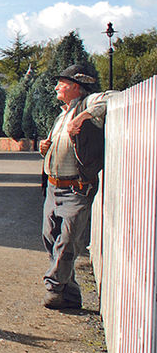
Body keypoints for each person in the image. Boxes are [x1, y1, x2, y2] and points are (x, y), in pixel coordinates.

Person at [38, 63, 111, 310]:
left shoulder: (88, 103)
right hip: (53, 187)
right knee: (50, 238)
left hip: (76, 188)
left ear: (76, 86)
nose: (56, 87)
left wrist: (82, 117)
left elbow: (112, 97)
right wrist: (45, 149)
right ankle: (71, 294)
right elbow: (61, 145)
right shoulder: (61, 115)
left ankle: (53, 287)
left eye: (61, 83)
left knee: (67, 242)